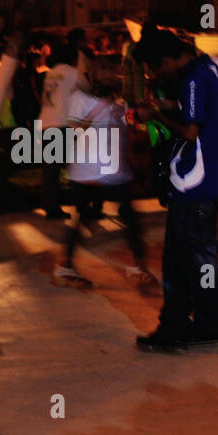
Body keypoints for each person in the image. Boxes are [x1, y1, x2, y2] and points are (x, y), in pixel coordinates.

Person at [132, 26, 218, 351]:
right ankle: (208, 325)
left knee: (176, 263)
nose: (158, 73)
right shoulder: (207, 68)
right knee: (201, 261)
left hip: (191, 183)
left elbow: (190, 131)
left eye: (157, 66)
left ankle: (174, 328)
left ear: (168, 58)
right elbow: (200, 115)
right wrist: (167, 109)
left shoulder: (192, 78)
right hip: (204, 183)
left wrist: (158, 113)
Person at [53, 80, 155, 290]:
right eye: (103, 69)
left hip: (113, 172)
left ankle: (138, 267)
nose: (108, 74)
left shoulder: (119, 104)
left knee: (129, 217)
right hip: (87, 171)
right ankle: (64, 267)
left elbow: (134, 123)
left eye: (110, 70)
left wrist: (144, 113)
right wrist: (99, 107)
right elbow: (75, 126)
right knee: (83, 218)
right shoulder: (79, 98)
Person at [38, 44, 88, 220]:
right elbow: (87, 90)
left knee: (51, 171)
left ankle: (51, 208)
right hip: (64, 124)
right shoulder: (73, 73)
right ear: (74, 59)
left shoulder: (51, 74)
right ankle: (83, 205)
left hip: (46, 123)